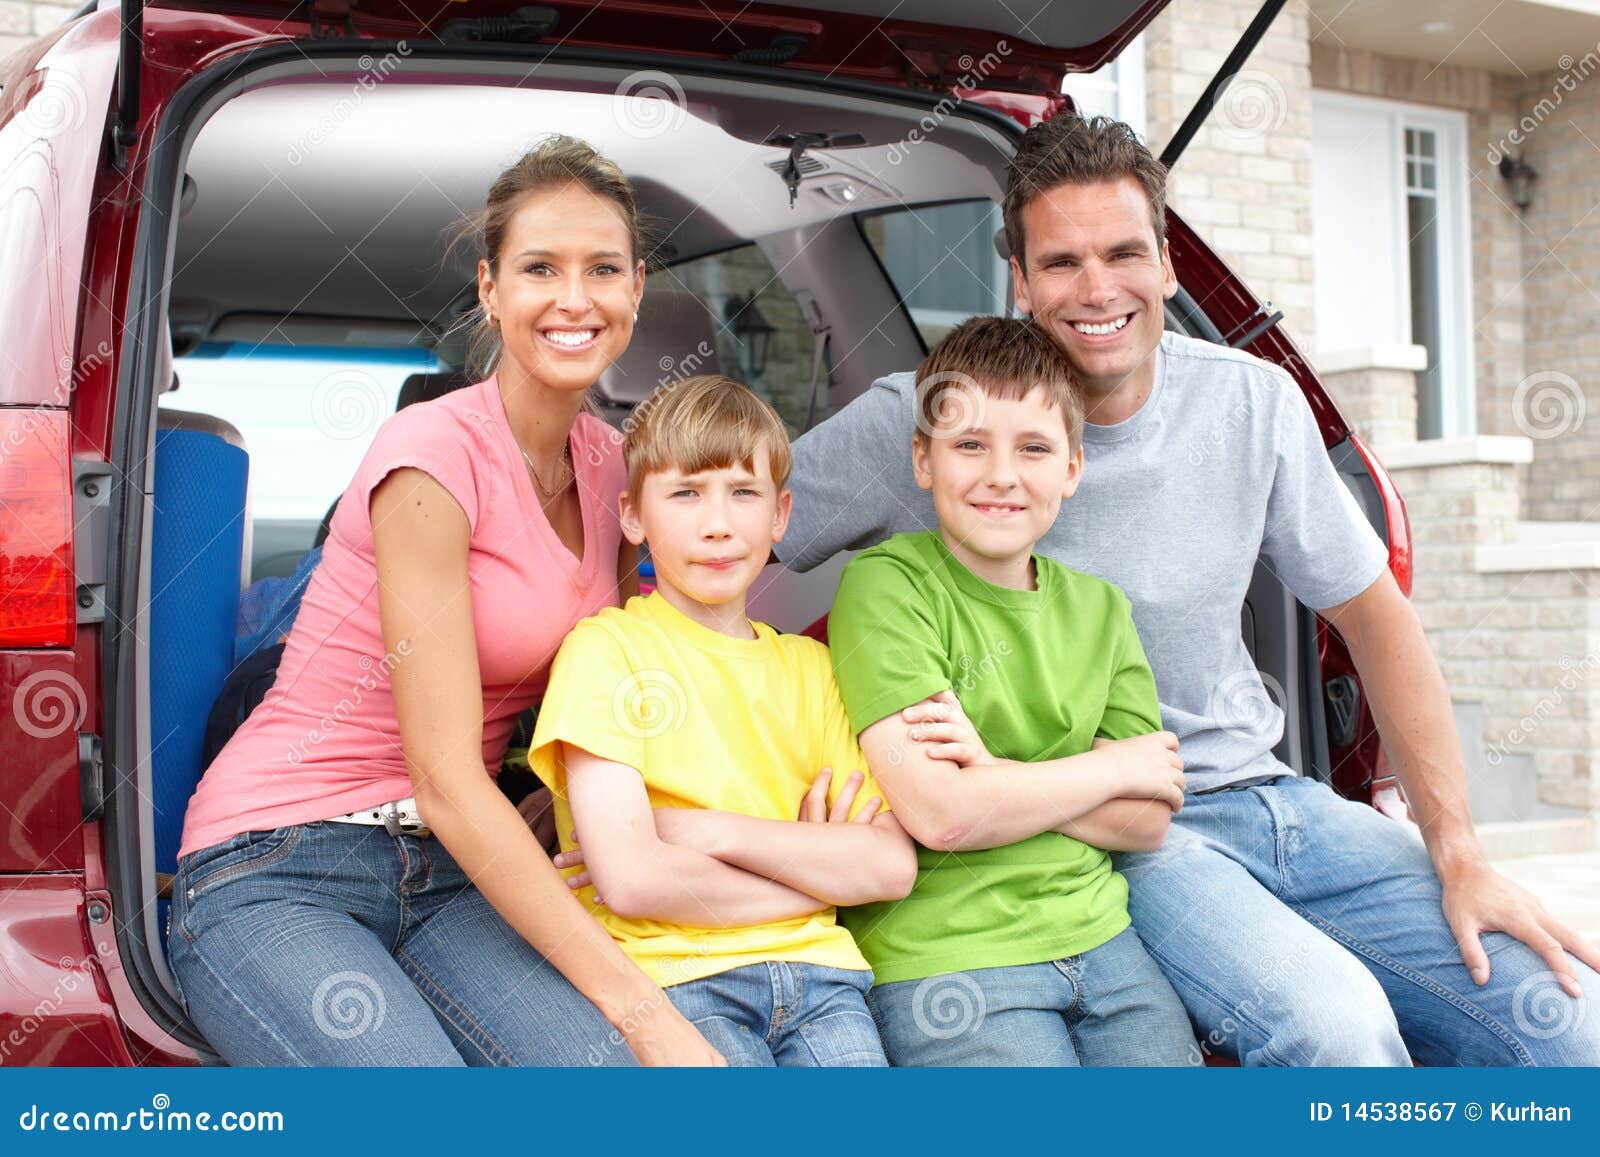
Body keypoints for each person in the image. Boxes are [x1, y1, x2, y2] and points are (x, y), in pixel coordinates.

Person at [779, 114, 1600, 1066]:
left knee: (1570, 1026)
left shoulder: (1253, 401)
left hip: (1278, 797)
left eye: (1124, 252)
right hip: (1131, 839)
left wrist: (1460, 853)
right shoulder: (931, 419)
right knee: (1336, 1030)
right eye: (1061, 262)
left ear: (1168, 264)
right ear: (1019, 279)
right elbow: (714, 534)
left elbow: (1378, 620)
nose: (1096, 289)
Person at [169, 136, 721, 1067]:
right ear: (490, 290)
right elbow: (445, 777)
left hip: (454, 868)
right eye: (539, 267)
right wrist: (651, 1017)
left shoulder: (614, 469)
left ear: (636, 293)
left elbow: (621, 678)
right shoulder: (429, 454)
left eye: (604, 269)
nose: (574, 297)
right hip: (281, 859)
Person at [825, 316, 1197, 1066]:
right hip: (948, 954)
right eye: (969, 445)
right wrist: (1111, 767)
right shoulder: (887, 585)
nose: (1002, 474)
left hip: (1105, 941)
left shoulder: (1101, 608)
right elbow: (941, 814)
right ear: (922, 460)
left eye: (1033, 448)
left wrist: (993, 776)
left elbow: (1147, 819)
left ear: (1072, 468)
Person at [528, 374, 917, 1066]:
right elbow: (633, 880)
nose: (718, 523)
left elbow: (888, 866)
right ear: (632, 515)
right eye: (685, 493)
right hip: (677, 983)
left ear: (781, 515)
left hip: (828, 980)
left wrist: (705, 831)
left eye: (744, 493)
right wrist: (815, 875)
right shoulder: (605, 651)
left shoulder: (811, 667)